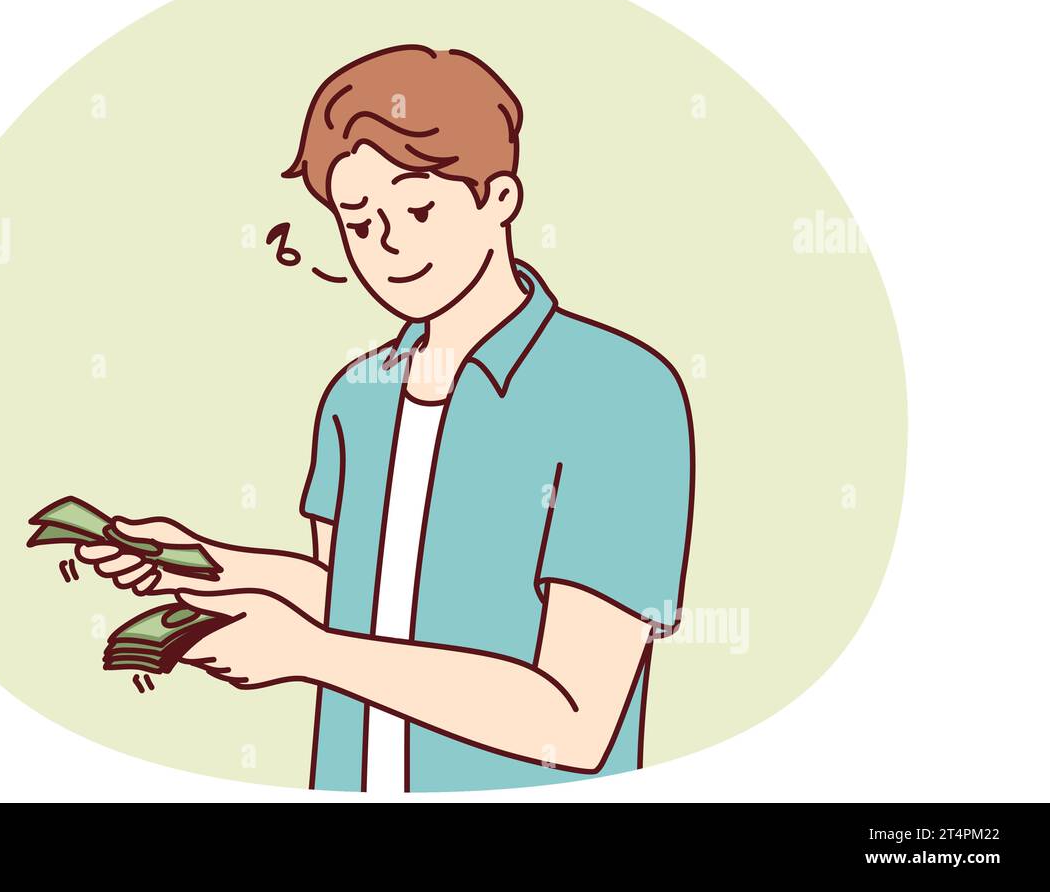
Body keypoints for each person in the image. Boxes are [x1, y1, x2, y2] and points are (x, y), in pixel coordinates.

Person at [78, 45, 695, 792]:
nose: (388, 245)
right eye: (359, 221)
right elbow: (360, 599)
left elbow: (573, 720)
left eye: (419, 207)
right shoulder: (358, 398)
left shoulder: (618, 396)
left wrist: (306, 654)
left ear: (500, 200)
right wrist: (206, 563)